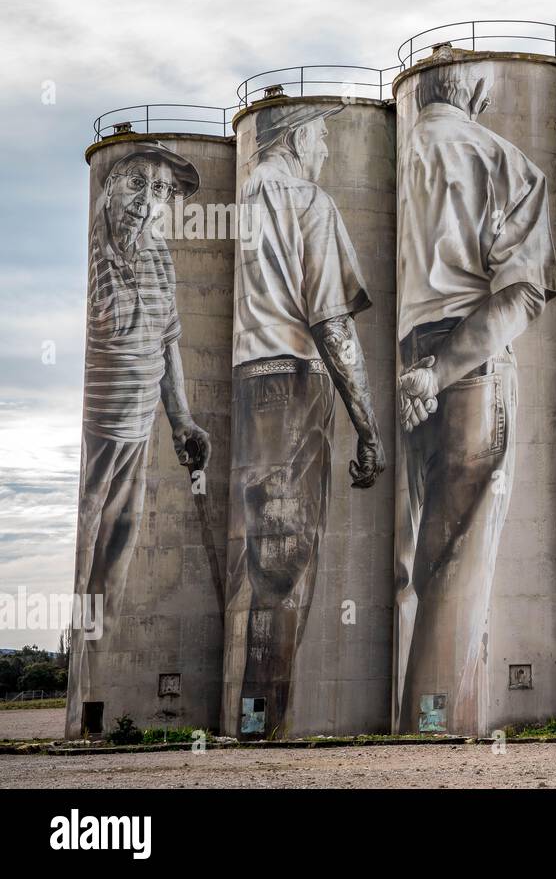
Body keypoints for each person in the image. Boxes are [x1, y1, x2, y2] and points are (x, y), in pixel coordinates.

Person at [394, 58, 556, 734]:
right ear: (474, 91)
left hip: (410, 365)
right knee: (460, 563)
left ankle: (425, 725)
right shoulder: (502, 162)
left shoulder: (404, 152)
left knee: (426, 562)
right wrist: (441, 373)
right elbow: (520, 295)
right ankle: (432, 733)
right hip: (467, 368)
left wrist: (419, 373)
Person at [227, 102, 384, 736]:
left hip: (247, 385)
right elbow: (333, 323)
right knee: (290, 563)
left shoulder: (241, 201)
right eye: (321, 135)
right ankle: (264, 726)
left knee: (261, 563)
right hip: (294, 387)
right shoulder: (307, 199)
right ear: (296, 137)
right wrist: (367, 426)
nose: (326, 149)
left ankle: (251, 718)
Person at [67, 142, 209, 738]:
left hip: (142, 425)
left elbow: (171, 338)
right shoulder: (107, 236)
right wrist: (120, 189)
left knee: (122, 544)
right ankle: (83, 687)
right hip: (104, 423)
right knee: (89, 541)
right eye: (136, 185)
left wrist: (182, 420)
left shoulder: (156, 251)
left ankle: (98, 667)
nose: (147, 203)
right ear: (108, 187)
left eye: (159, 193)